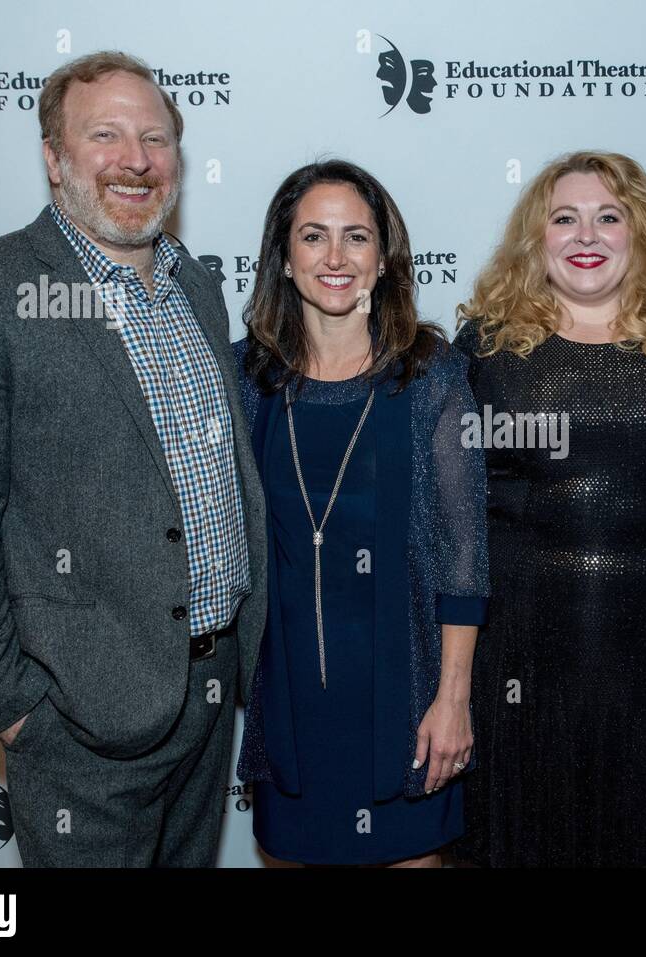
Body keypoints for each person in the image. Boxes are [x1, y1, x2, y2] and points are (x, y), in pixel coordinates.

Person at [0, 51, 266, 867]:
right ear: (54, 158)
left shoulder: (195, 284)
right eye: (106, 135)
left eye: (156, 138)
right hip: (79, 722)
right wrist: (14, 703)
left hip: (208, 694)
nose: (136, 160)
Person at [454, 151, 646, 867]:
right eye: (565, 218)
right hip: (528, 646)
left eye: (608, 216)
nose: (586, 234)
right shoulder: (486, 349)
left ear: (640, 231)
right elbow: (451, 512)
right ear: (538, 238)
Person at [234, 160, 489, 867]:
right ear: (285, 258)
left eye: (357, 236)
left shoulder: (431, 378)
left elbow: (464, 558)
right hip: (290, 705)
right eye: (314, 237)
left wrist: (453, 699)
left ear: (384, 258)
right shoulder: (246, 383)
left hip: (406, 699)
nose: (336, 257)